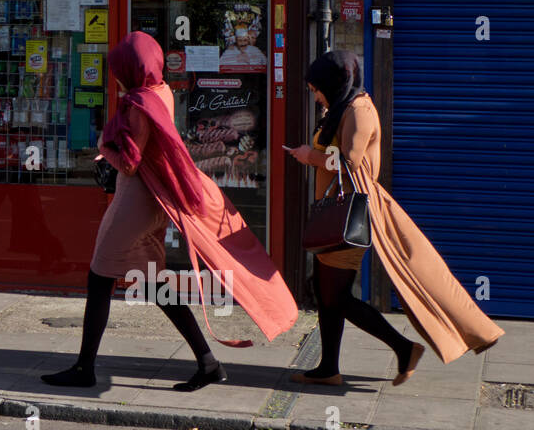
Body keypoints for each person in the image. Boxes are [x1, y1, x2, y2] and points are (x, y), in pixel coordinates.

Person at [42, 32, 297, 391]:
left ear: (130, 69)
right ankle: (208, 363)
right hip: (156, 201)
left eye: (118, 69)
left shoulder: (137, 104)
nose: (115, 76)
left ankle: (85, 369)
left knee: (99, 279)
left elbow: (129, 163)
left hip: (134, 203)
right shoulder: (161, 91)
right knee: (154, 284)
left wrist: (102, 145)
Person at [286, 51, 502, 386]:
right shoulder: (342, 108)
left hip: (349, 215)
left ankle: (404, 348)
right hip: (332, 214)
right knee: (324, 290)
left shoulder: (359, 109)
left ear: (333, 83)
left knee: (336, 295)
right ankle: (329, 368)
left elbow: (350, 163)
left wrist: (308, 156)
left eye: (317, 89)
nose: (315, 95)